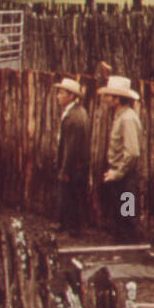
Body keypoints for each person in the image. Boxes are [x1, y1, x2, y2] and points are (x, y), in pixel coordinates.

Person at [97, 75, 142, 243]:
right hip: (120, 177)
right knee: (119, 216)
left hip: (126, 179)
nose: (105, 99)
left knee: (128, 217)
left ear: (117, 99)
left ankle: (132, 253)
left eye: (109, 96)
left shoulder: (128, 118)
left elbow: (133, 152)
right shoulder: (119, 116)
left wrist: (118, 172)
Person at [54, 78, 89, 237]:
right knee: (68, 195)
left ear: (70, 96)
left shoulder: (74, 117)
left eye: (61, 93)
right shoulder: (74, 112)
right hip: (76, 164)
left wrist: (65, 168)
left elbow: (71, 146)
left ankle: (73, 229)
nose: (58, 96)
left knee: (72, 196)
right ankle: (65, 224)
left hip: (74, 165)